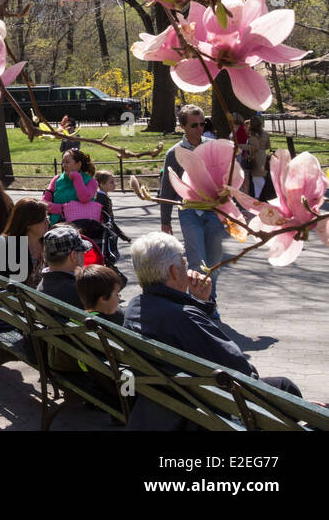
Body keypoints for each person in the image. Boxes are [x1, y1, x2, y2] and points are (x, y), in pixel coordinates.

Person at [124, 232, 304, 429]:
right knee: (285, 387)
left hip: (163, 406)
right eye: (184, 262)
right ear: (174, 271)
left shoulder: (135, 307)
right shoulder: (183, 317)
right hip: (198, 411)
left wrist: (200, 301)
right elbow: (240, 370)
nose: (188, 267)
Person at [158, 103, 225, 313]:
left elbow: (224, 178)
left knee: (213, 261)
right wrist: (165, 220)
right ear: (183, 126)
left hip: (213, 211)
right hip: (188, 212)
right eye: (194, 125)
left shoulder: (212, 147)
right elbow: (167, 188)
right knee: (197, 259)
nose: (199, 128)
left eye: (202, 124)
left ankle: (209, 297)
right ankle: (201, 305)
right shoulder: (174, 153)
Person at [0, 198, 49, 288]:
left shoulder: (49, 242)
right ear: (29, 223)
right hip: (18, 299)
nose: (48, 222)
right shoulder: (9, 244)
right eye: (43, 220)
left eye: (47, 218)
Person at [37, 224, 90, 309]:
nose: (84, 255)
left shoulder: (43, 284)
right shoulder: (81, 291)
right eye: (83, 252)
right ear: (73, 256)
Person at [43, 149, 100, 223]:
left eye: (67, 162)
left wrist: (77, 178)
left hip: (81, 227)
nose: (64, 165)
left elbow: (84, 199)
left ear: (78, 164)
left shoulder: (91, 181)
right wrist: (62, 209)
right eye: (63, 162)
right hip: (56, 226)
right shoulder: (57, 179)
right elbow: (44, 202)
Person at [245, 114, 271, 199]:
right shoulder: (266, 133)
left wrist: (250, 156)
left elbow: (254, 148)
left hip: (255, 156)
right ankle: (258, 196)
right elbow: (268, 146)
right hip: (263, 155)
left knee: (257, 178)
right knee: (258, 177)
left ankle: (260, 196)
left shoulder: (252, 135)